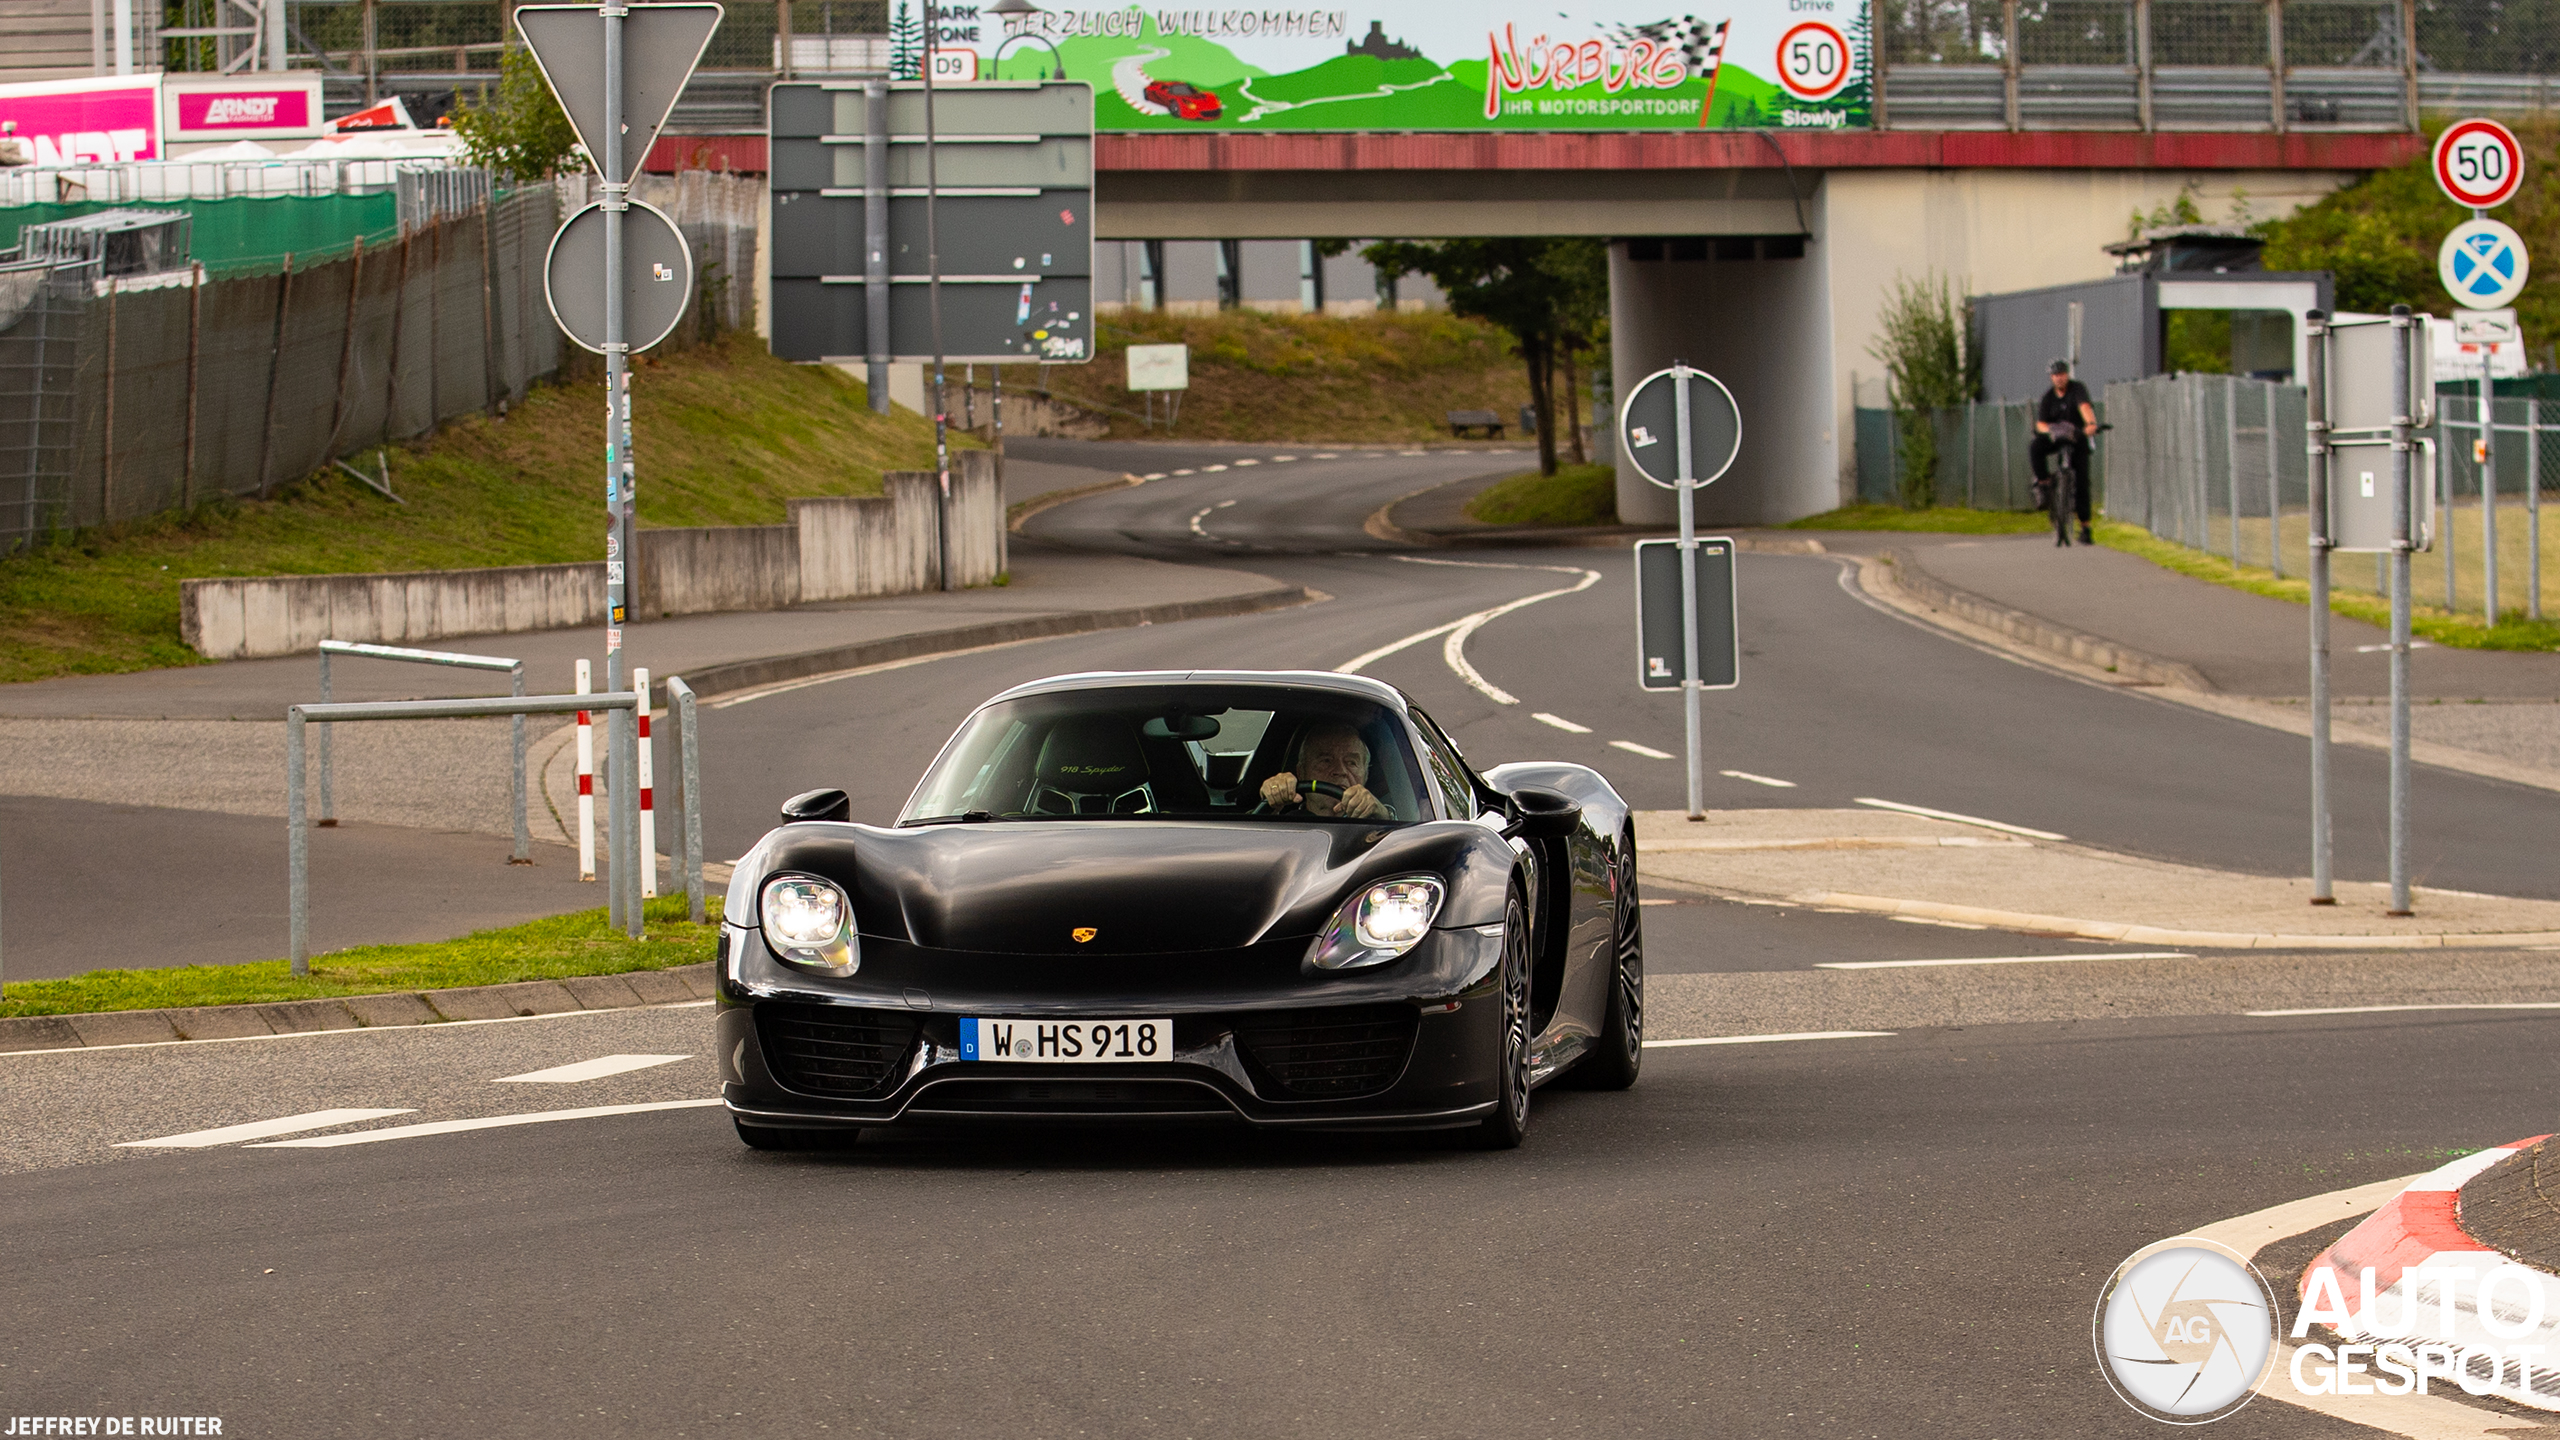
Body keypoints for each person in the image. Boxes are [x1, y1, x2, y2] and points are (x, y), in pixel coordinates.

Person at [1258, 721, 1391, 820]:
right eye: (1326, 761)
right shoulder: (1284, 826)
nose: (1340, 771)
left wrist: (1383, 816)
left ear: (1366, 775)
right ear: (1301, 772)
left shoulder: (1379, 828)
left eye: (1351, 763)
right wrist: (1269, 806)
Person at [2029, 359, 2097, 544]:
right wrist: (2050, 431)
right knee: (2035, 447)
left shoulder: (2077, 389)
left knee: (2082, 482)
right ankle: (2044, 483)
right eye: (2055, 375)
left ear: (2067, 375)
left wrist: (2090, 424)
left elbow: (2085, 408)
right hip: (2057, 438)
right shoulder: (2048, 397)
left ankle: (2085, 528)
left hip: (2077, 438)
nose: (2059, 378)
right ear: (2051, 378)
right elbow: (2041, 424)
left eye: (2062, 374)